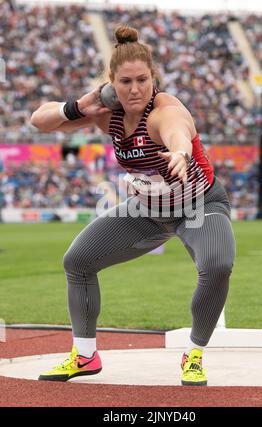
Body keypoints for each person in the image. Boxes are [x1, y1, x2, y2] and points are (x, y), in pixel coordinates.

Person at [31, 26, 235, 386]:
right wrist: (77, 106)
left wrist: (180, 152)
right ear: (111, 84)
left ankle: (194, 353)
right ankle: (85, 356)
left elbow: (176, 130)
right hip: (147, 212)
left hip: (199, 205)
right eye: (125, 82)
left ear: (153, 78)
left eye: (143, 80)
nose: (135, 89)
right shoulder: (104, 114)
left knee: (217, 264)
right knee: (77, 262)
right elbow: (40, 122)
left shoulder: (163, 110)